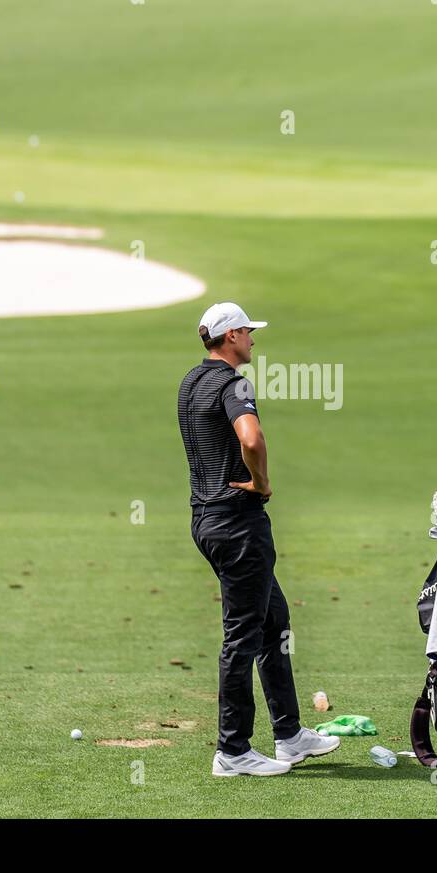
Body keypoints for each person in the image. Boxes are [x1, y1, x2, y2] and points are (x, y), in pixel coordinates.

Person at [177, 301, 340, 777]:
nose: (253, 339)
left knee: (274, 623)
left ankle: (289, 736)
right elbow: (251, 438)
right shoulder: (234, 384)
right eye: (247, 332)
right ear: (230, 337)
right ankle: (232, 751)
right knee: (242, 637)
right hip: (238, 524)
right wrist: (262, 483)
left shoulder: (190, 381)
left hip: (205, 519)